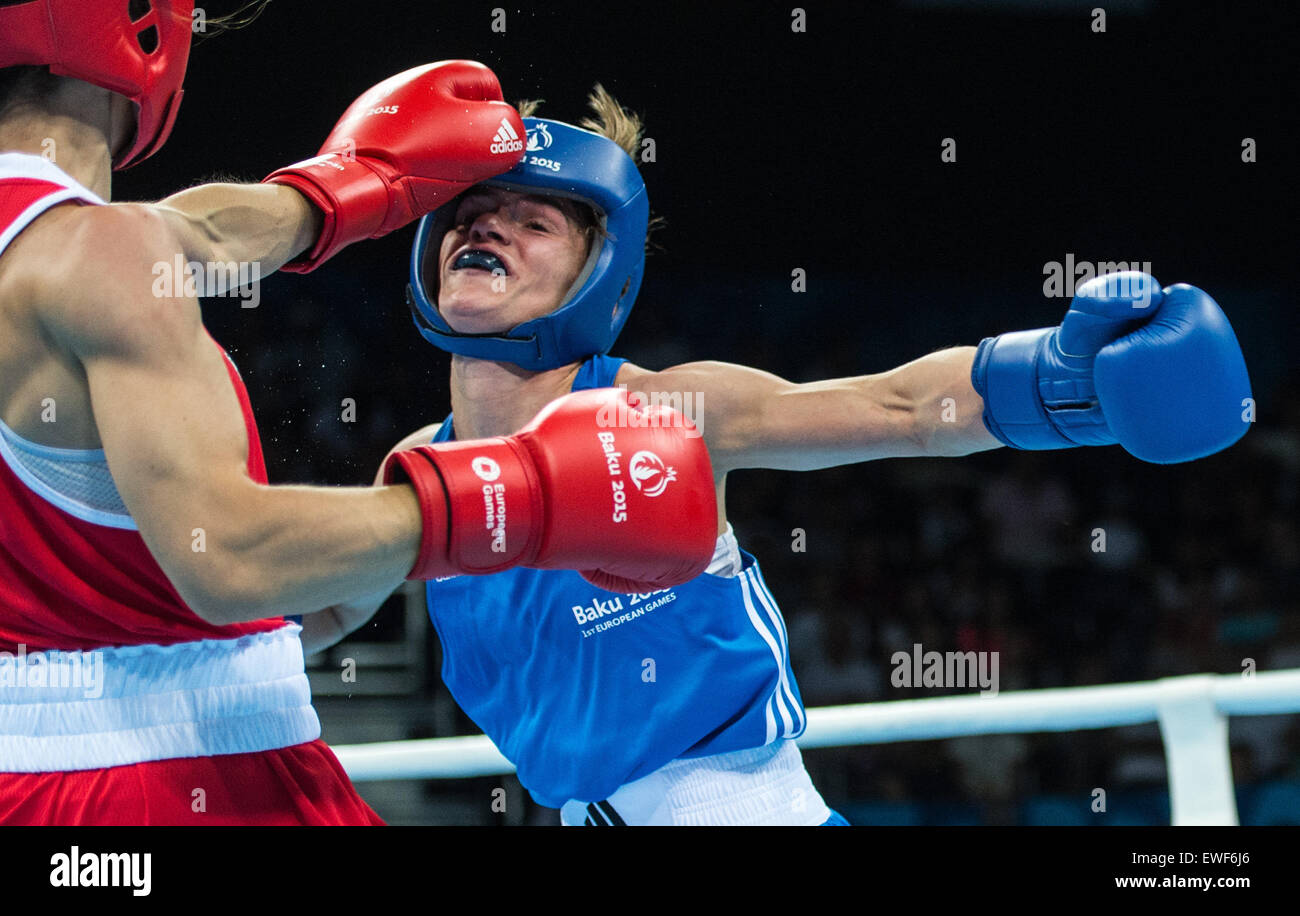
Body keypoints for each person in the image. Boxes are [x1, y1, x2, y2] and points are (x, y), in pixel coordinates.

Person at [322, 85, 1253, 826]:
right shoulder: (418, 465)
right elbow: (322, 610)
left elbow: (894, 408)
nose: (488, 229)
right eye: (476, 212)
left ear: (592, 276)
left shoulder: (657, 407)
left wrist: (1056, 378)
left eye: (534, 225)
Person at [0, 1, 716, 825]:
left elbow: (192, 237)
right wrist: (524, 493)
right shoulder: (102, 253)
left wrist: (350, 187)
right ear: (144, 30)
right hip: (180, 771)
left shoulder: (72, 249)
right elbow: (228, 560)